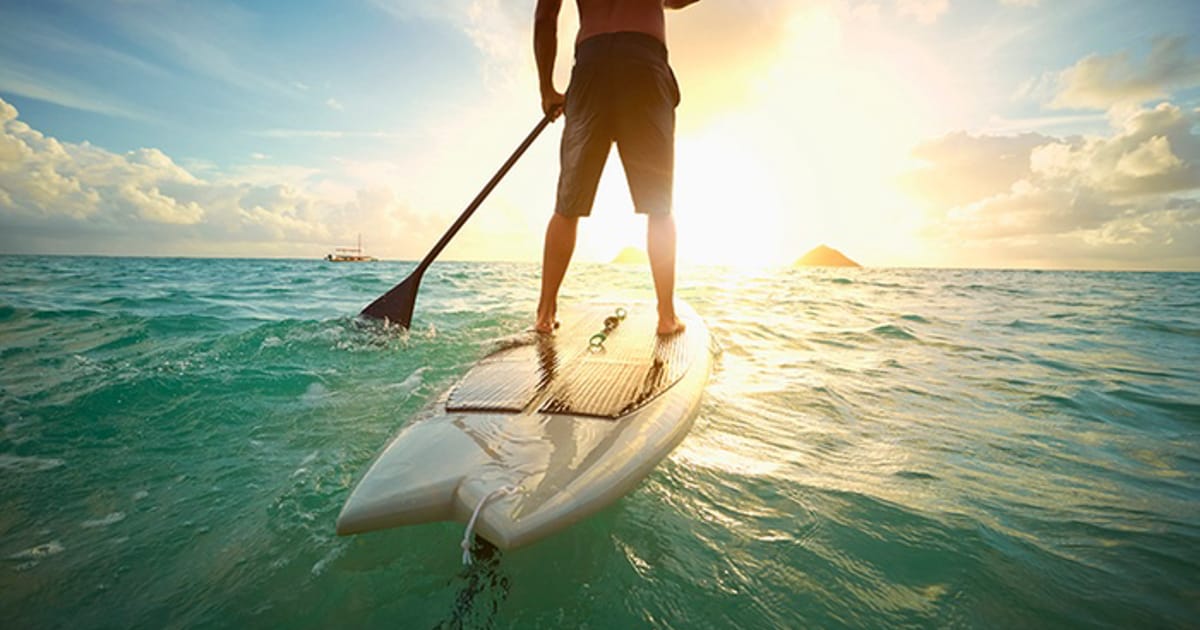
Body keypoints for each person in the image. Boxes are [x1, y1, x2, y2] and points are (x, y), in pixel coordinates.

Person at [533, 0, 701, 335]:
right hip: (643, 61)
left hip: (591, 63)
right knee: (659, 205)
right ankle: (666, 316)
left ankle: (544, 315)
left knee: (567, 205)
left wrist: (547, 89)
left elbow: (545, 15)